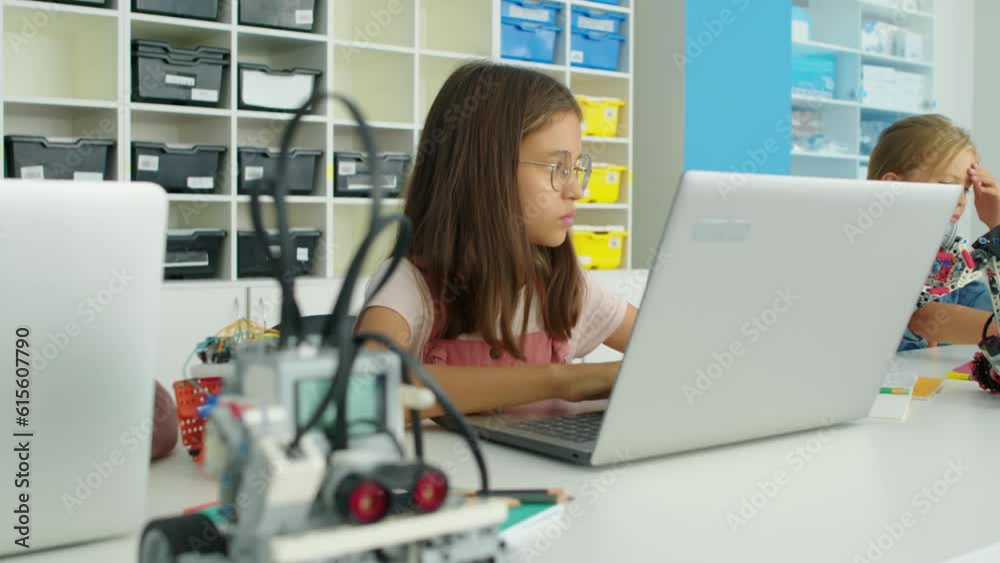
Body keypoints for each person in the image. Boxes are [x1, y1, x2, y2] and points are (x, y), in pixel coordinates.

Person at [355, 62, 637, 418]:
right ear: (487, 172)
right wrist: (559, 380)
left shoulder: (568, 289)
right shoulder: (410, 286)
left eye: (577, 168)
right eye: (557, 168)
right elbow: (364, 389)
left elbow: (673, 353)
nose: (577, 189)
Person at [867, 114, 1000, 351]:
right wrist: (993, 328)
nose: (960, 200)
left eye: (967, 190)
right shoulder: (869, 255)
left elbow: (990, 306)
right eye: (948, 186)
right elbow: (923, 317)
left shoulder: (950, 259)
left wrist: (996, 224)